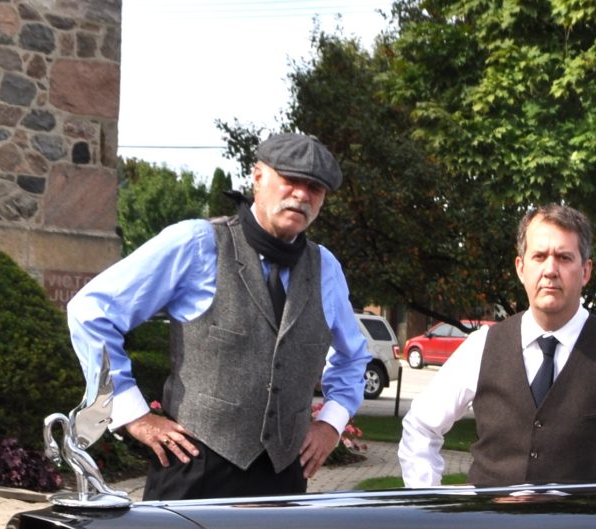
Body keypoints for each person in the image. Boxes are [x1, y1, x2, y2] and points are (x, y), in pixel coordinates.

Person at [67, 132, 370, 500]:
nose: (302, 194)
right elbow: (91, 311)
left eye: (315, 187)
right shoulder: (196, 244)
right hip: (193, 468)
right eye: (290, 180)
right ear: (258, 177)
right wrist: (133, 415)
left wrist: (331, 424)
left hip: (283, 478)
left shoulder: (326, 269)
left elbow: (354, 356)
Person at [398, 204, 596, 488]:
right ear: (521, 268)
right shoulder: (482, 347)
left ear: (585, 271)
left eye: (564, 257)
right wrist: (427, 506)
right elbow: (420, 426)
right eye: (539, 256)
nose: (550, 270)